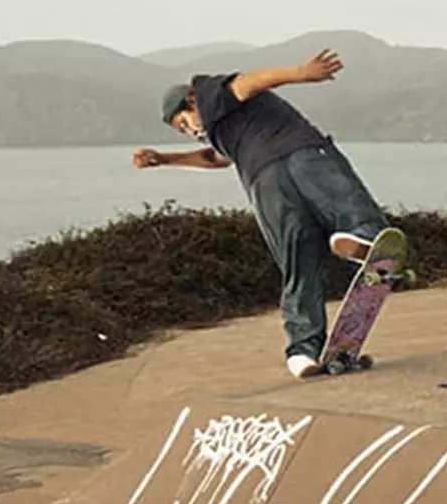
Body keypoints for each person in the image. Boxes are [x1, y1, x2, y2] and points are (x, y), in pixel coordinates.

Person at [133, 49, 395, 378]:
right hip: (295, 162)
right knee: (337, 225)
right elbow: (216, 159)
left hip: (273, 177)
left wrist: (304, 71)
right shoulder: (220, 127)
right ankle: (364, 241)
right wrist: (166, 159)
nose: (190, 130)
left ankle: (302, 349)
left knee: (298, 264)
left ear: (191, 99)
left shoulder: (209, 92)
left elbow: (251, 82)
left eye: (185, 123)